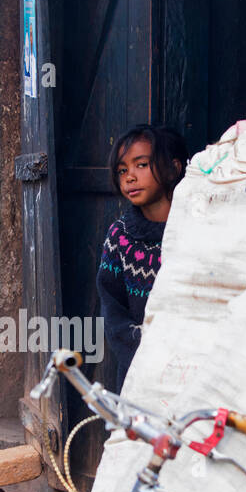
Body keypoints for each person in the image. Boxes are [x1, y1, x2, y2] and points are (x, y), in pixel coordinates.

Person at [96, 124, 189, 392]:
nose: (130, 177)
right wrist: (146, 355)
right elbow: (112, 310)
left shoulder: (197, 230)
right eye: (123, 170)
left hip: (193, 369)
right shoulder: (120, 237)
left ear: (174, 168)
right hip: (139, 370)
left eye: (141, 165)